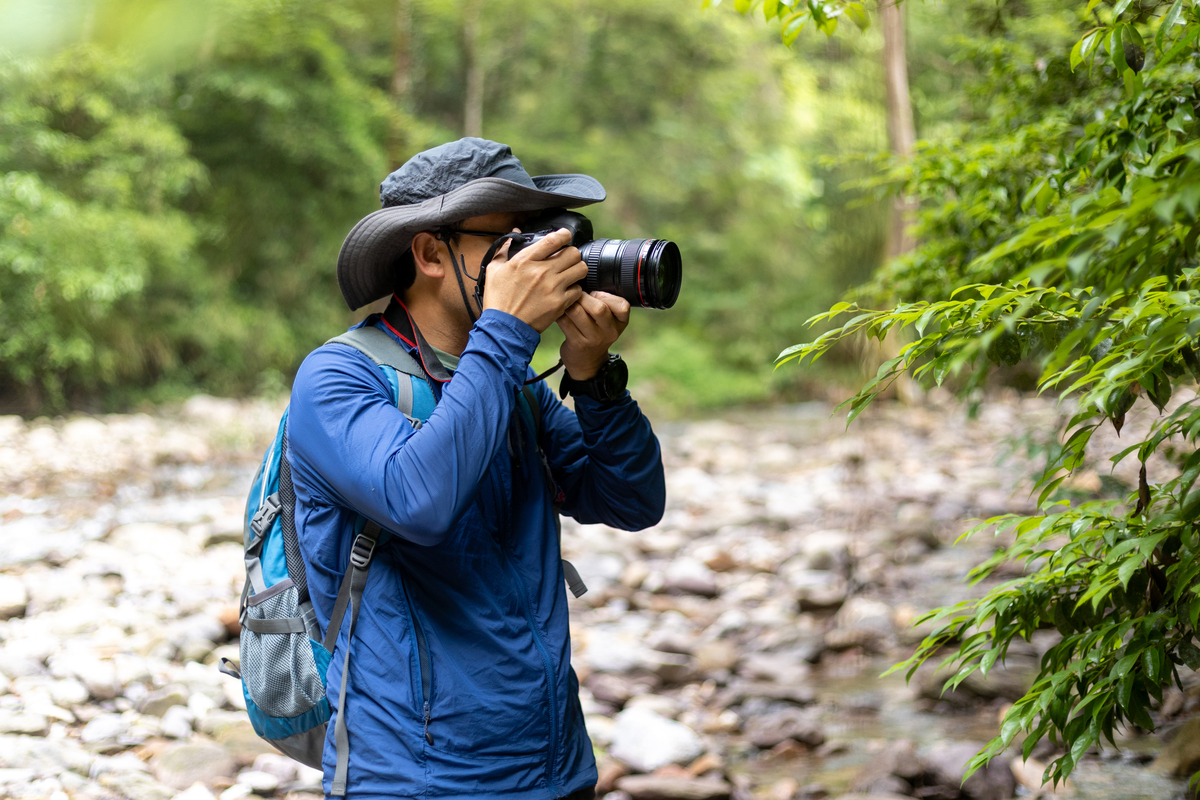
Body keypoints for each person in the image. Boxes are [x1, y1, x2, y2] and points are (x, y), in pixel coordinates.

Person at [285, 138, 666, 800]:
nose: (536, 260)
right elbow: (418, 501)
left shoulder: (512, 384)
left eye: (539, 238)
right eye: (507, 242)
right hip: (417, 780)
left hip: (557, 768)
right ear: (429, 253)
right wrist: (507, 332)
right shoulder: (337, 377)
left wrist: (592, 374)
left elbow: (633, 501)